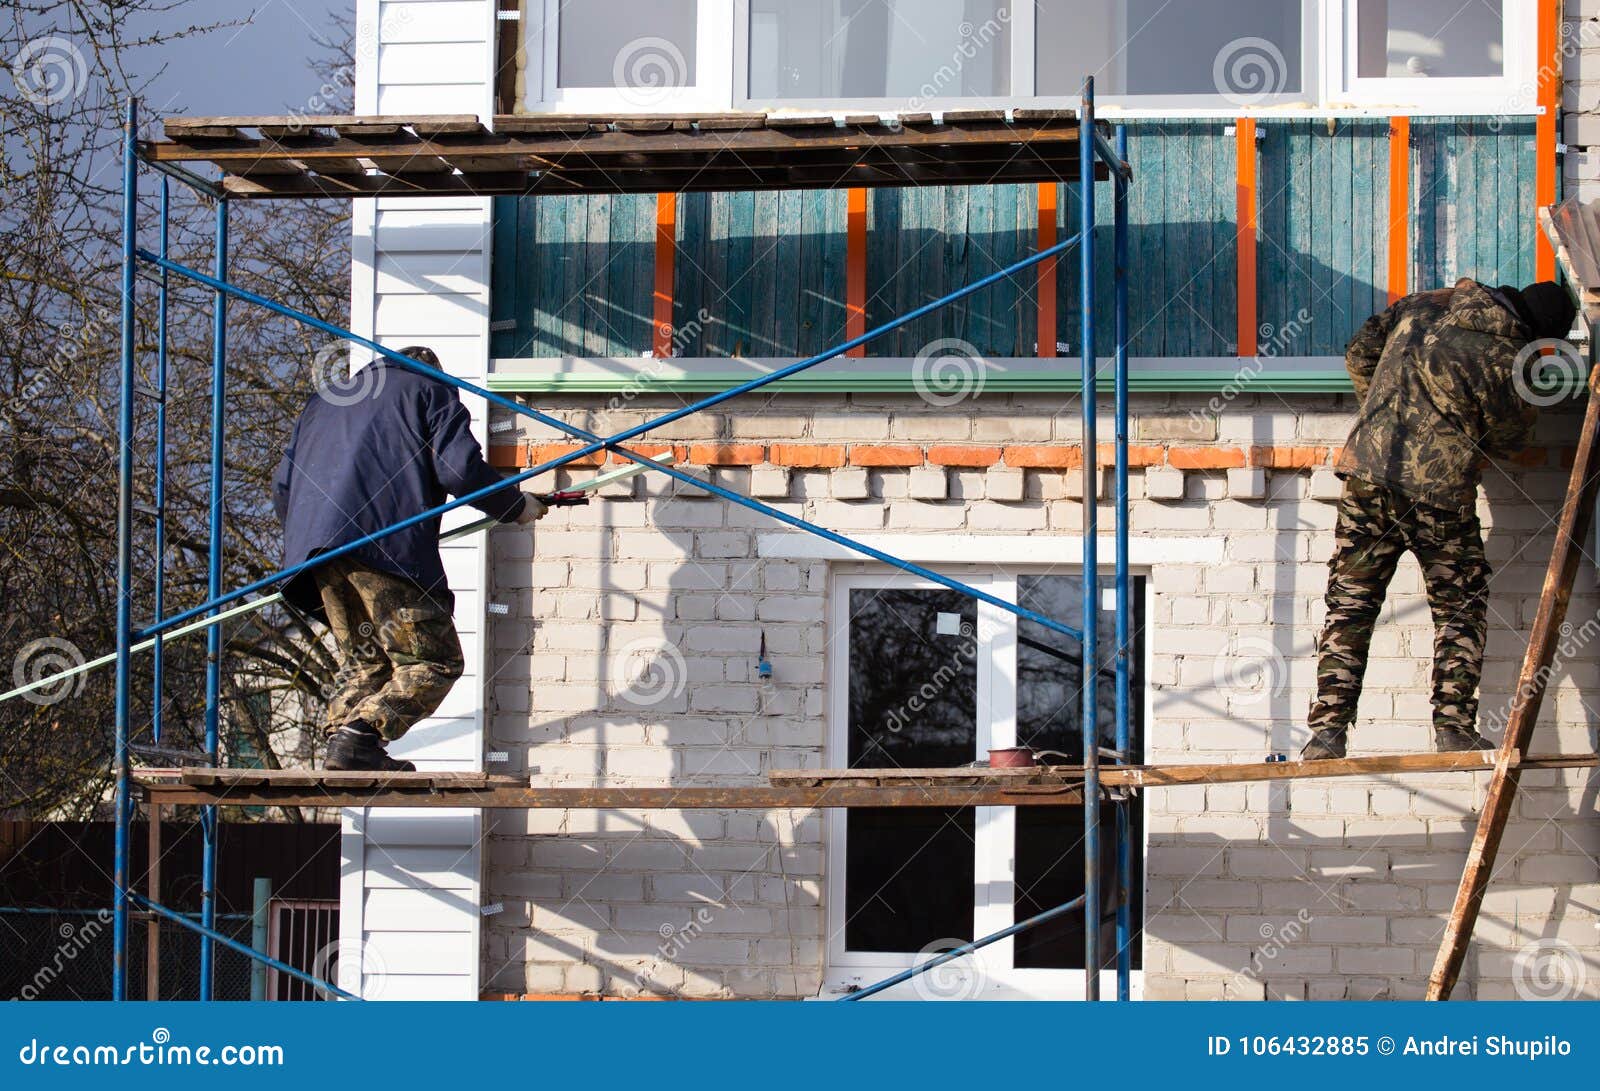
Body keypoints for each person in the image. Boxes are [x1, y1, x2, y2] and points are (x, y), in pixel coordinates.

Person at [1301, 279, 1577, 761]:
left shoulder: (1429, 302)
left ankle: (1326, 734)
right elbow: (1511, 438)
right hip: (1440, 495)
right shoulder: (1507, 355)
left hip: (1369, 475)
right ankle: (1453, 727)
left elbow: (1360, 352)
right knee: (1459, 608)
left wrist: (1385, 410)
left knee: (1350, 607)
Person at [272, 346, 546, 772]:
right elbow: (458, 470)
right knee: (433, 661)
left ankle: (342, 740)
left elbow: (283, 490)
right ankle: (360, 736)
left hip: (316, 556)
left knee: (368, 660)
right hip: (383, 547)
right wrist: (513, 505)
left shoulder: (324, 402)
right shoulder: (429, 388)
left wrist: (314, 537)